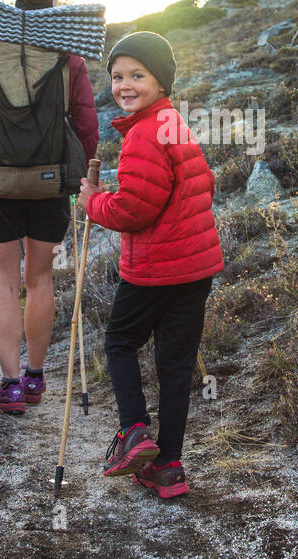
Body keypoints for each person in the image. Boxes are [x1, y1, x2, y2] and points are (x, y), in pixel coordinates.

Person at [77, 31, 224, 499]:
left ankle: (134, 432)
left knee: (120, 342)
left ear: (161, 81)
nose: (124, 85)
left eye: (137, 75)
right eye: (117, 76)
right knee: (175, 367)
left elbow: (134, 210)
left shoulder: (143, 133)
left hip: (154, 269)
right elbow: (204, 187)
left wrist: (94, 202)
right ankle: (168, 468)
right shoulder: (175, 125)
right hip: (195, 269)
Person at [0, 0, 99, 413]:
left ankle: (10, 386)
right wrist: (78, 172)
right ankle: (36, 378)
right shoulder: (68, 55)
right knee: (39, 280)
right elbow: (85, 123)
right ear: (55, 9)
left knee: (2, 283)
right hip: (51, 182)